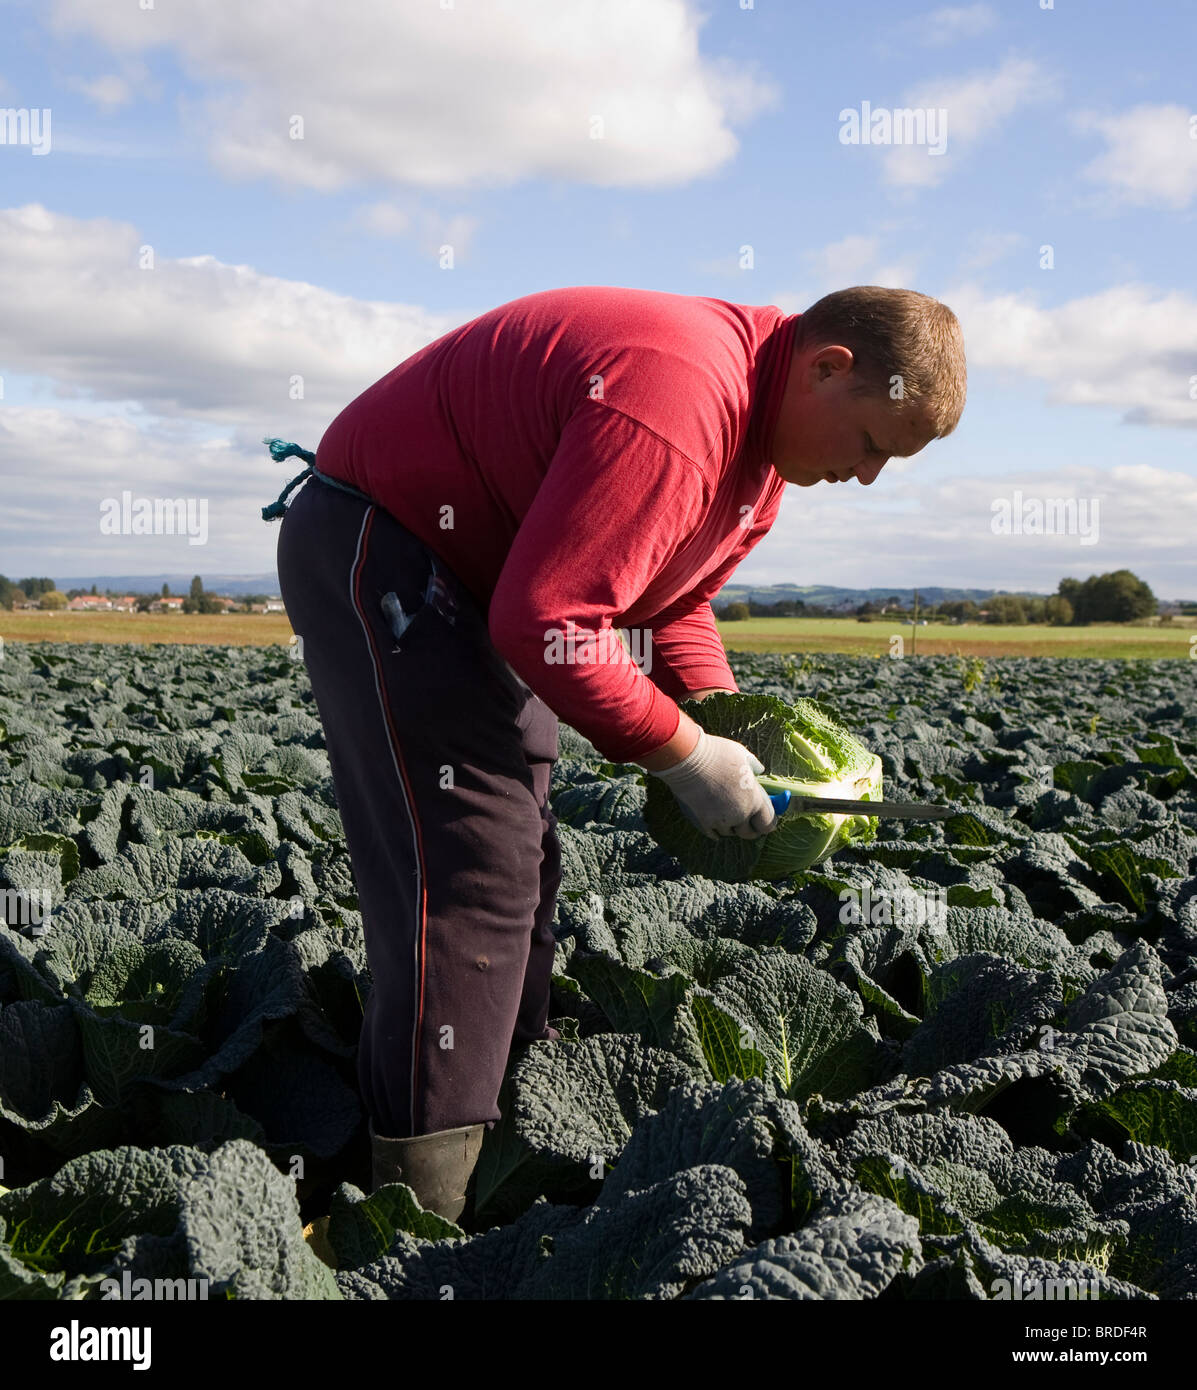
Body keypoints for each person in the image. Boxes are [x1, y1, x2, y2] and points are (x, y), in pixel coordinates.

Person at [266, 283, 966, 1225]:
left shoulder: (755, 459)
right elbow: (548, 619)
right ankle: (416, 1208)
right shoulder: (680, 399)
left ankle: (511, 1124)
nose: (869, 475)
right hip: (387, 546)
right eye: (874, 444)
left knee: (525, 857)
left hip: (478, 577)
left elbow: (664, 601)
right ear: (827, 367)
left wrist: (722, 716)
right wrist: (682, 753)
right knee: (468, 866)